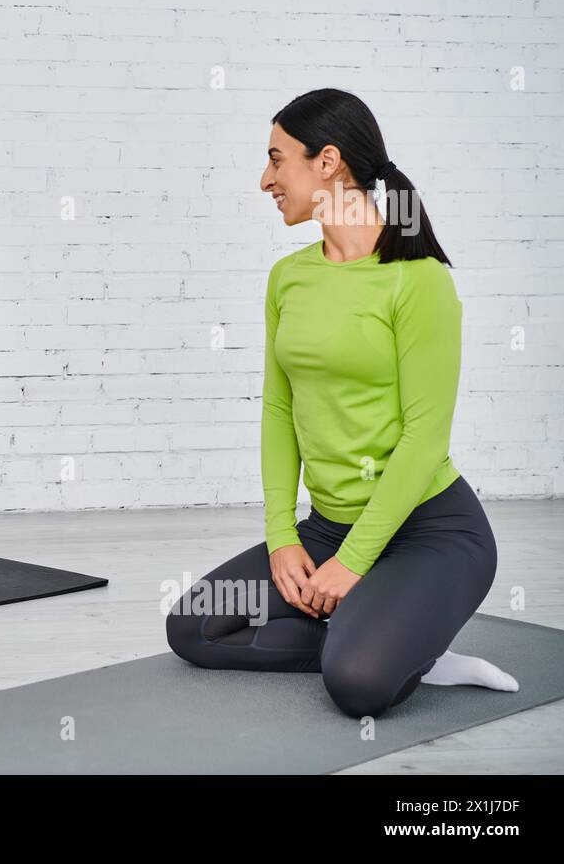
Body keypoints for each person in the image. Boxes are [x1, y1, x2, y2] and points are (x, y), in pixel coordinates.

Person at [165, 88, 518, 718]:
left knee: (355, 685)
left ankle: (398, 648)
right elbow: (279, 411)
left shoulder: (419, 278)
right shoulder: (289, 278)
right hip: (327, 527)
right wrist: (282, 539)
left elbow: (425, 436)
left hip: (427, 531)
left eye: (277, 160)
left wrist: (353, 564)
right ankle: (382, 635)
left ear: (327, 163)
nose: (265, 180)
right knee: (192, 628)